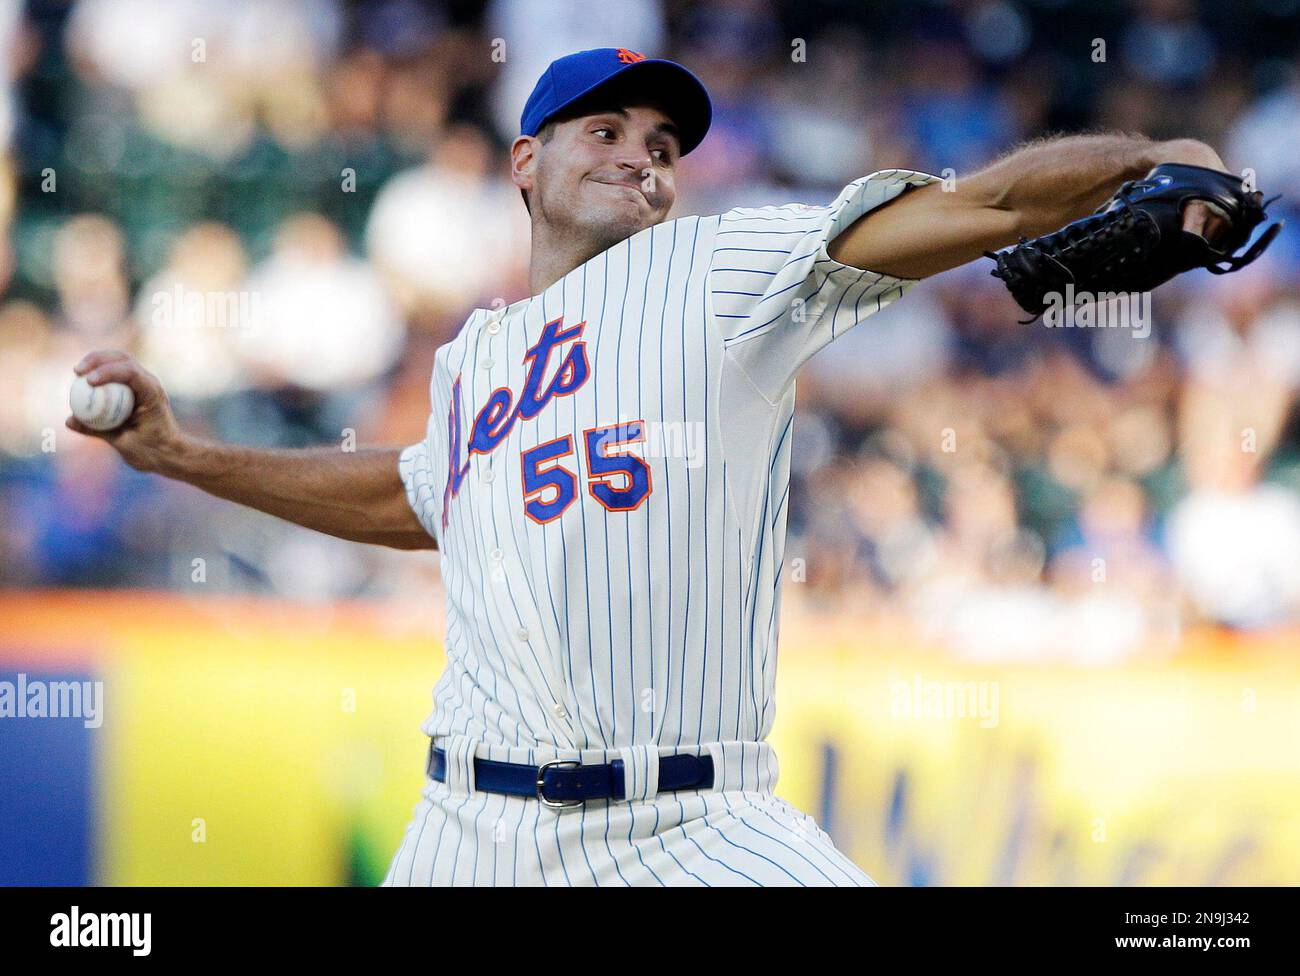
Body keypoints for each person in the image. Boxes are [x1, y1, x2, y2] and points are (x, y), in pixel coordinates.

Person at [69, 47, 1230, 886]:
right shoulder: (474, 359)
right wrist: (182, 454)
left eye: (663, 145)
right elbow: (414, 494)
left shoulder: (728, 271)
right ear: (526, 163)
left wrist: (1144, 158)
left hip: (690, 830)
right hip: (465, 830)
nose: (642, 158)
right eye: (606, 131)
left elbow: (977, 204)